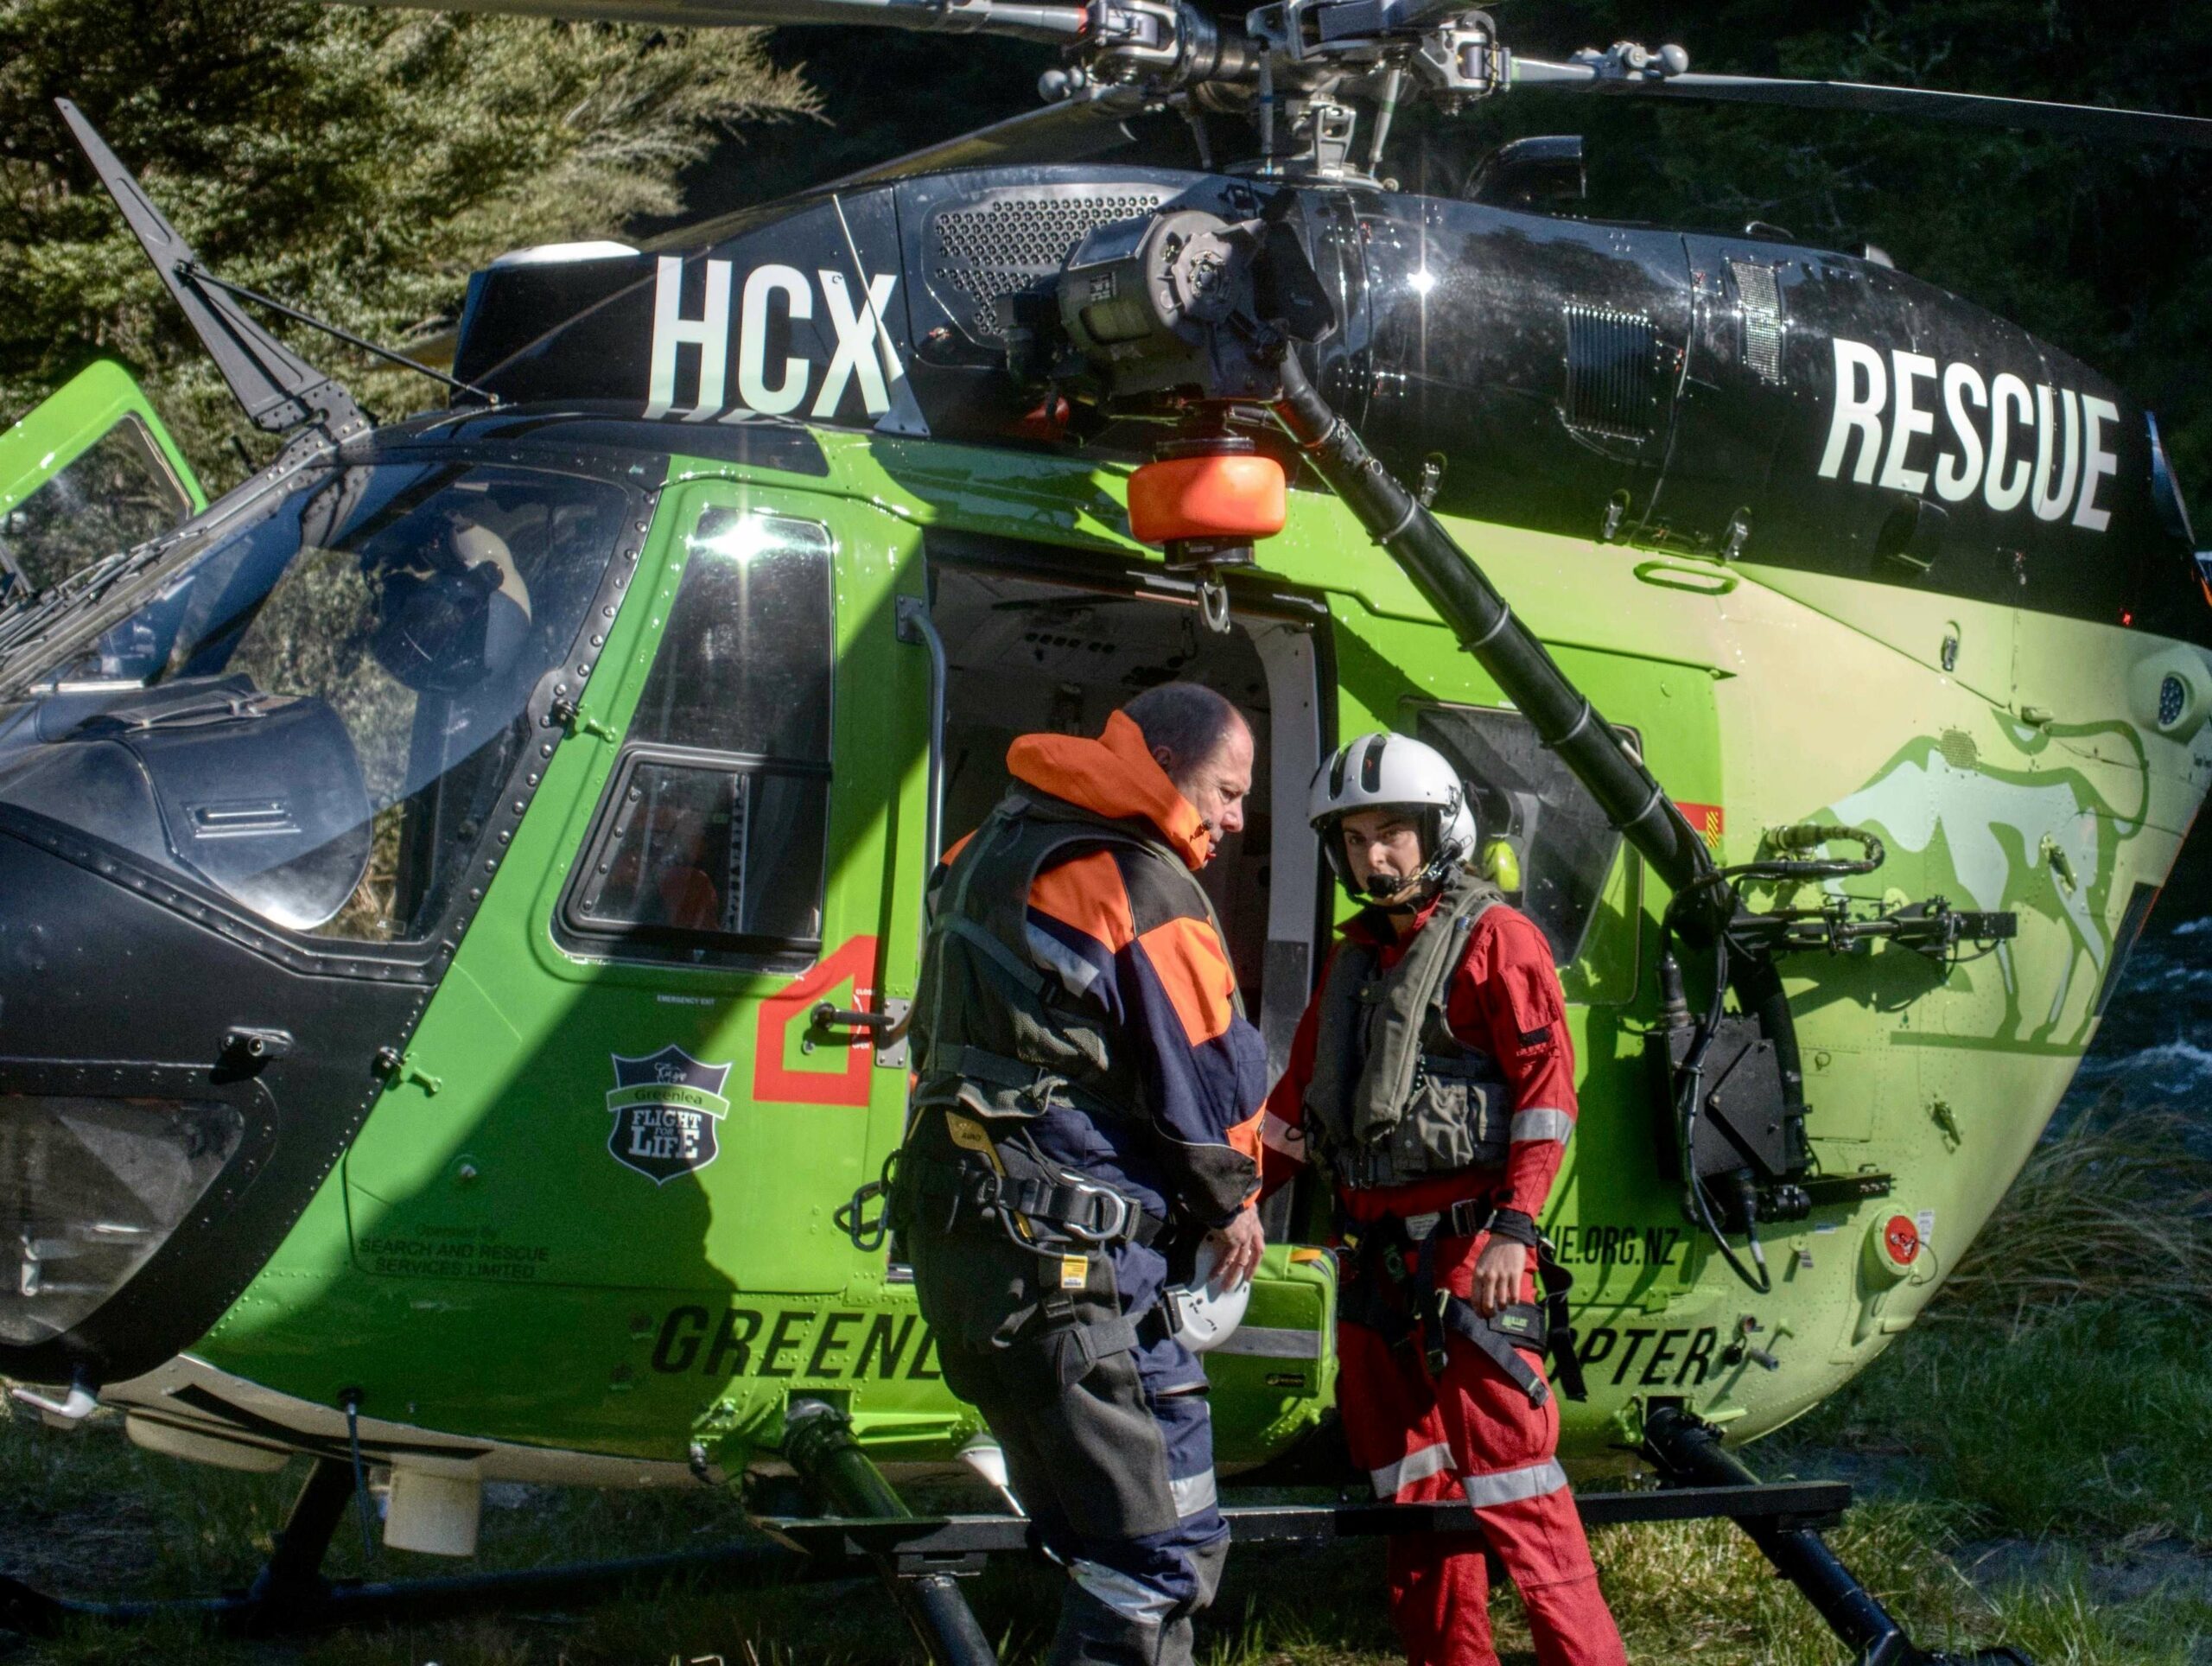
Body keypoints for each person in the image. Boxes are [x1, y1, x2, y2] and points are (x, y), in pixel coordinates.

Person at [899, 681, 1270, 1666]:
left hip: (968, 1256)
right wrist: (1235, 1202)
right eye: (1229, 792)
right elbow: (1210, 1081)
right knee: (1156, 1557)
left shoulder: (979, 850)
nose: (1237, 820)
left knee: (1094, 1541)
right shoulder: (1141, 884)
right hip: (1083, 1279)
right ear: (1169, 764)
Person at [1260, 731, 1625, 1666]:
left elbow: (1547, 1096)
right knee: (1410, 1498)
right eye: (1353, 840)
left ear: (1438, 830)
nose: (1371, 857)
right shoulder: (1354, 963)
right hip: (1373, 1268)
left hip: (1470, 1264)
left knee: (1519, 1492)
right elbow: (1293, 1113)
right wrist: (1219, 1206)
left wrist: (1515, 1228)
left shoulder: (1499, 941)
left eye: (1391, 833)